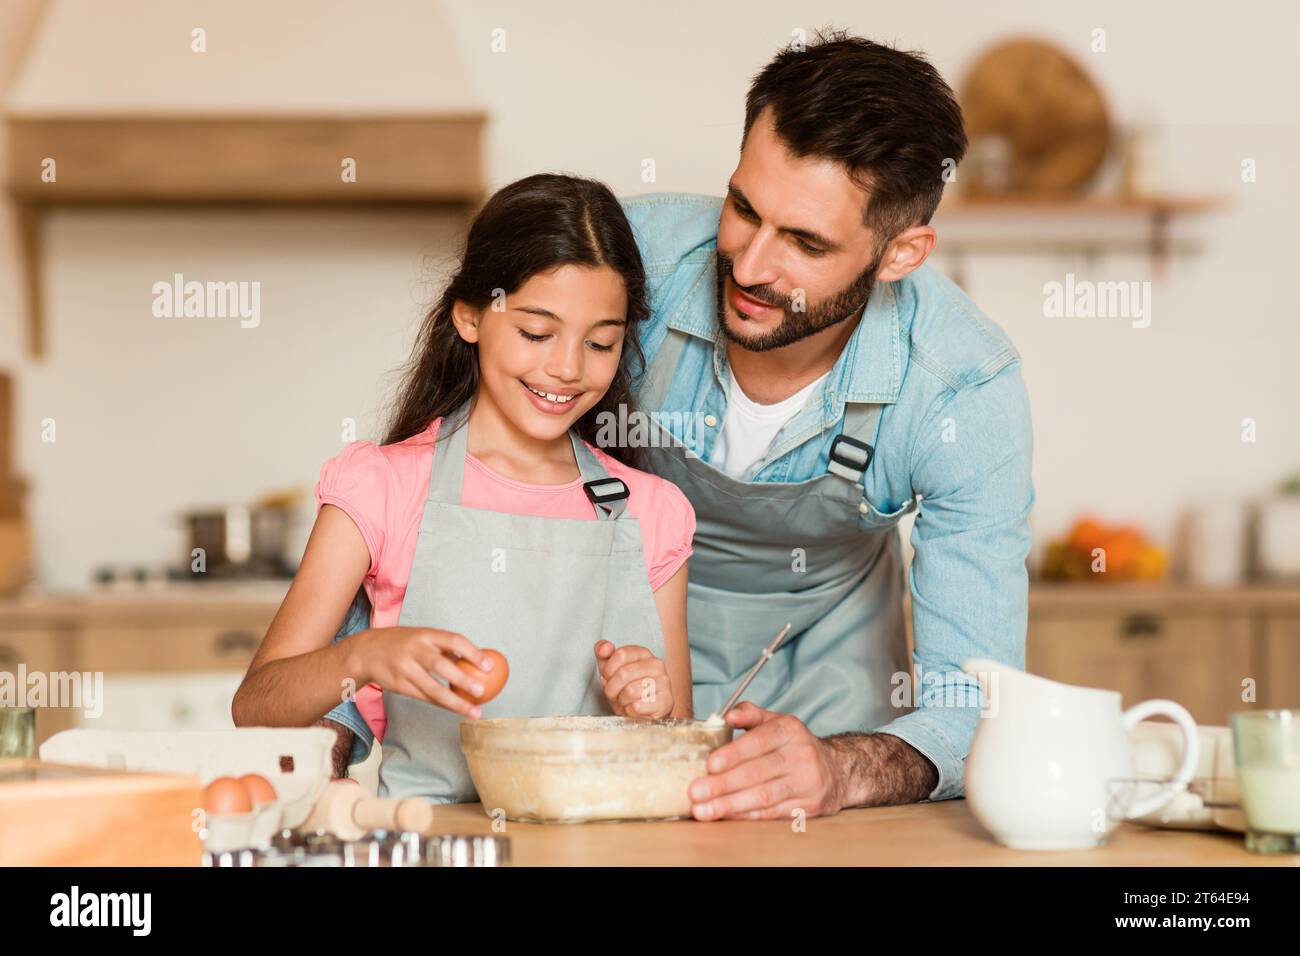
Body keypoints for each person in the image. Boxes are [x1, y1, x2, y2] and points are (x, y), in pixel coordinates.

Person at [620, 30, 1034, 819]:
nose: (747, 266)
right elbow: (439, 478)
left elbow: (970, 700)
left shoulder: (963, 388)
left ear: (900, 254)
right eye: (744, 209)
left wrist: (841, 771)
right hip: (617, 657)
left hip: (831, 680)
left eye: (806, 243)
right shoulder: (631, 261)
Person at [232, 174, 696, 801]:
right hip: (434, 843)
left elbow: (679, 747)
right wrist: (362, 656)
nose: (567, 367)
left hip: (595, 848)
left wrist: (652, 709)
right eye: (537, 332)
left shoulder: (652, 512)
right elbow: (257, 706)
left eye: (600, 343)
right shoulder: (383, 487)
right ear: (470, 316)